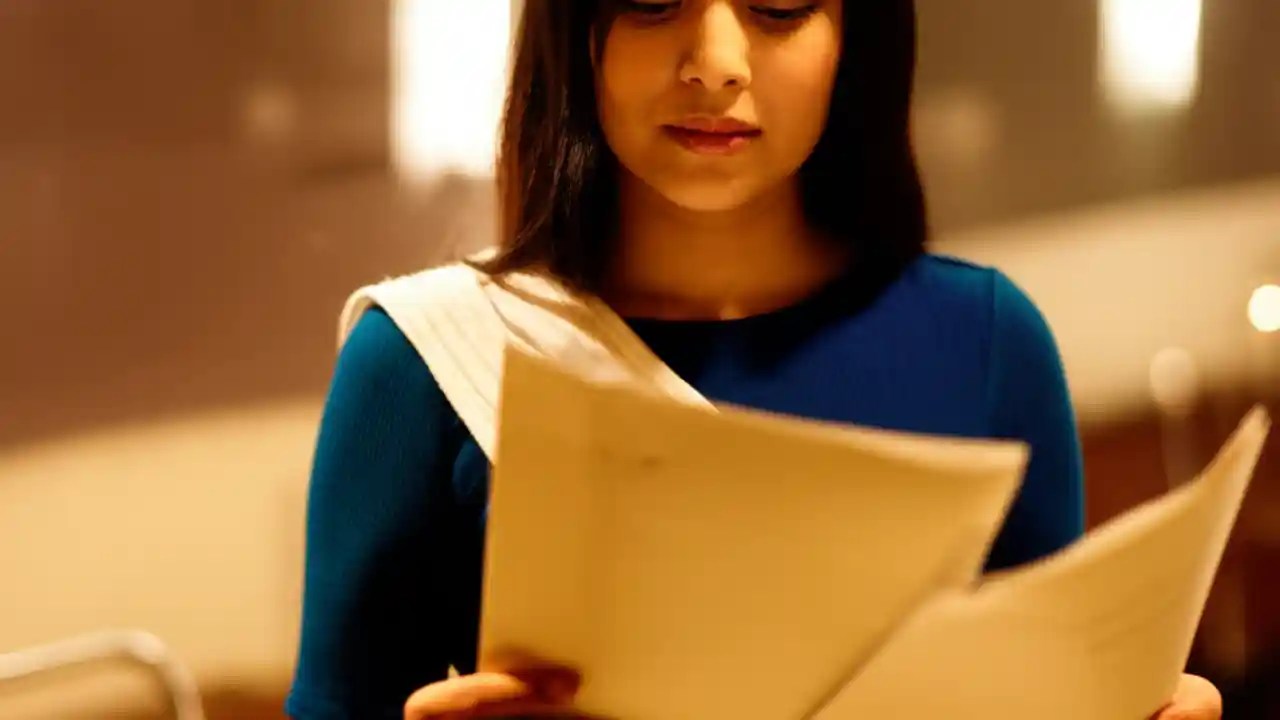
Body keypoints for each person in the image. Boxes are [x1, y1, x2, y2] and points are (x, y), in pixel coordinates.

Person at [285, 1, 1223, 718]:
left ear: (855, 32)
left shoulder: (987, 342)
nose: (716, 65)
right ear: (575, 26)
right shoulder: (422, 362)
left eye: (779, 4)